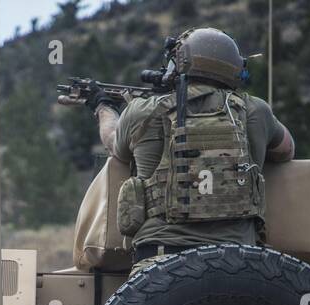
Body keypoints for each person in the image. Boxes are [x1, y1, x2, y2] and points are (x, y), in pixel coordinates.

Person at [88, 27, 295, 277]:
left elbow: (113, 144)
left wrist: (103, 107)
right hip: (239, 261)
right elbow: (286, 150)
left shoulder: (142, 112)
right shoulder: (256, 111)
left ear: (179, 65)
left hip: (159, 260)